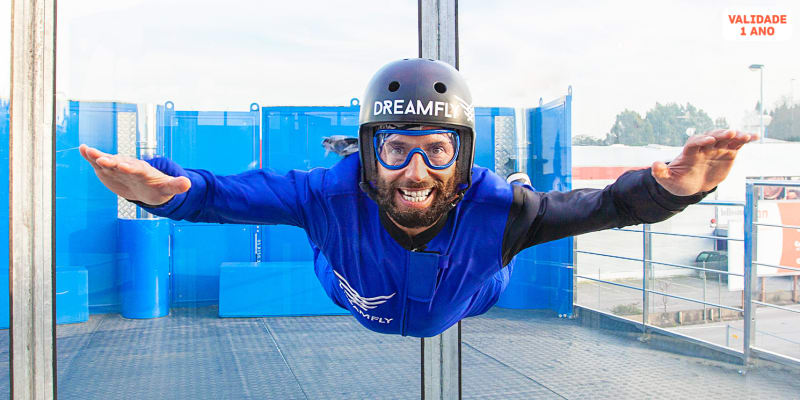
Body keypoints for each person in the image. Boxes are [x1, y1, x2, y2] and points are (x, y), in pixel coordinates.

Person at [79, 58, 757, 337]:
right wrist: (170, 192)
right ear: (371, 153)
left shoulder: (502, 211)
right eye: (395, 148)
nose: (413, 172)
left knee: (517, 228)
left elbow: (606, 206)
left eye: (436, 149)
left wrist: (672, 191)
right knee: (314, 209)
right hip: (349, 282)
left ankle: (486, 243)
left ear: (462, 159)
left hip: (467, 286)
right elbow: (227, 196)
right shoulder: (327, 197)